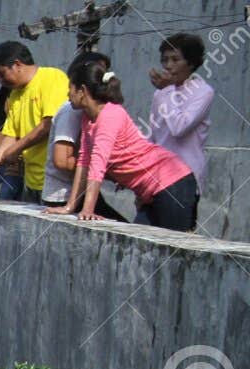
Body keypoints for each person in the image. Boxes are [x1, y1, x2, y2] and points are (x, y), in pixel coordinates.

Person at [48, 56, 198, 231]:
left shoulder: (111, 115)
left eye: (70, 89)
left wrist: (87, 209)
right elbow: (84, 161)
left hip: (173, 183)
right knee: (142, 246)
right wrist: (70, 207)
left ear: (82, 90)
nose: (68, 94)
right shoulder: (87, 118)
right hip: (150, 191)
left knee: (173, 248)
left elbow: (98, 163)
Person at [0, 41, 69, 203]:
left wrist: (15, 150)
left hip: (56, 183)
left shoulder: (52, 78)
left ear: (17, 65)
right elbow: (10, 134)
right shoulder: (14, 95)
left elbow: (49, 124)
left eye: (1, 74)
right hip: (32, 181)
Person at [42, 52, 126, 219]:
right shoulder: (72, 110)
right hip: (63, 194)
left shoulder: (92, 113)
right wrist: (110, 173)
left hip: (75, 192)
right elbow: (62, 160)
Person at [147, 33, 213, 191]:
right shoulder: (161, 94)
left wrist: (167, 90)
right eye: (164, 60)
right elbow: (152, 136)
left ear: (190, 63)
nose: (168, 66)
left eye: (175, 60)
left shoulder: (203, 92)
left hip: (185, 178)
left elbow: (179, 128)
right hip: (158, 176)